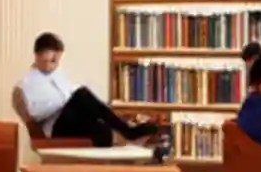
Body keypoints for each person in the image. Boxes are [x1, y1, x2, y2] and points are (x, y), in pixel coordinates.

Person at [17, 32, 158, 147]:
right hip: (55, 127)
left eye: (57, 60)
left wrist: (71, 98)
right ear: (39, 54)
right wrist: (66, 100)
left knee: (102, 130)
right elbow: (36, 113)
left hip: (71, 120)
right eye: (52, 60)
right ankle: (128, 131)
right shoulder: (28, 83)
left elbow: (69, 92)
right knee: (82, 94)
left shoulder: (57, 74)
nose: (55, 64)